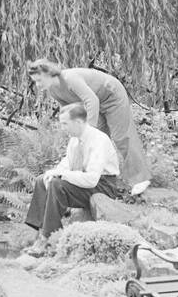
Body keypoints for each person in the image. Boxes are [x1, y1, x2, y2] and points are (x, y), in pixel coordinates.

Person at [28, 58, 151, 195]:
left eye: (39, 80)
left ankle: (141, 179)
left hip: (112, 95)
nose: (37, 85)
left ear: (48, 74)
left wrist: (89, 130)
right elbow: (69, 110)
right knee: (92, 143)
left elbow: (91, 100)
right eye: (35, 81)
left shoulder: (70, 78)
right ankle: (98, 180)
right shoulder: (53, 90)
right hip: (97, 103)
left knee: (121, 136)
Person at [24, 103, 126, 255]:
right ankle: (40, 233)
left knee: (57, 185)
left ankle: (48, 238)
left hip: (103, 186)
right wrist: (54, 172)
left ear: (78, 122)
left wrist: (62, 175)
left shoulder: (99, 140)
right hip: (84, 182)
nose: (62, 127)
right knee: (42, 180)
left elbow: (92, 179)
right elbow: (67, 164)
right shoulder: (75, 140)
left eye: (65, 123)